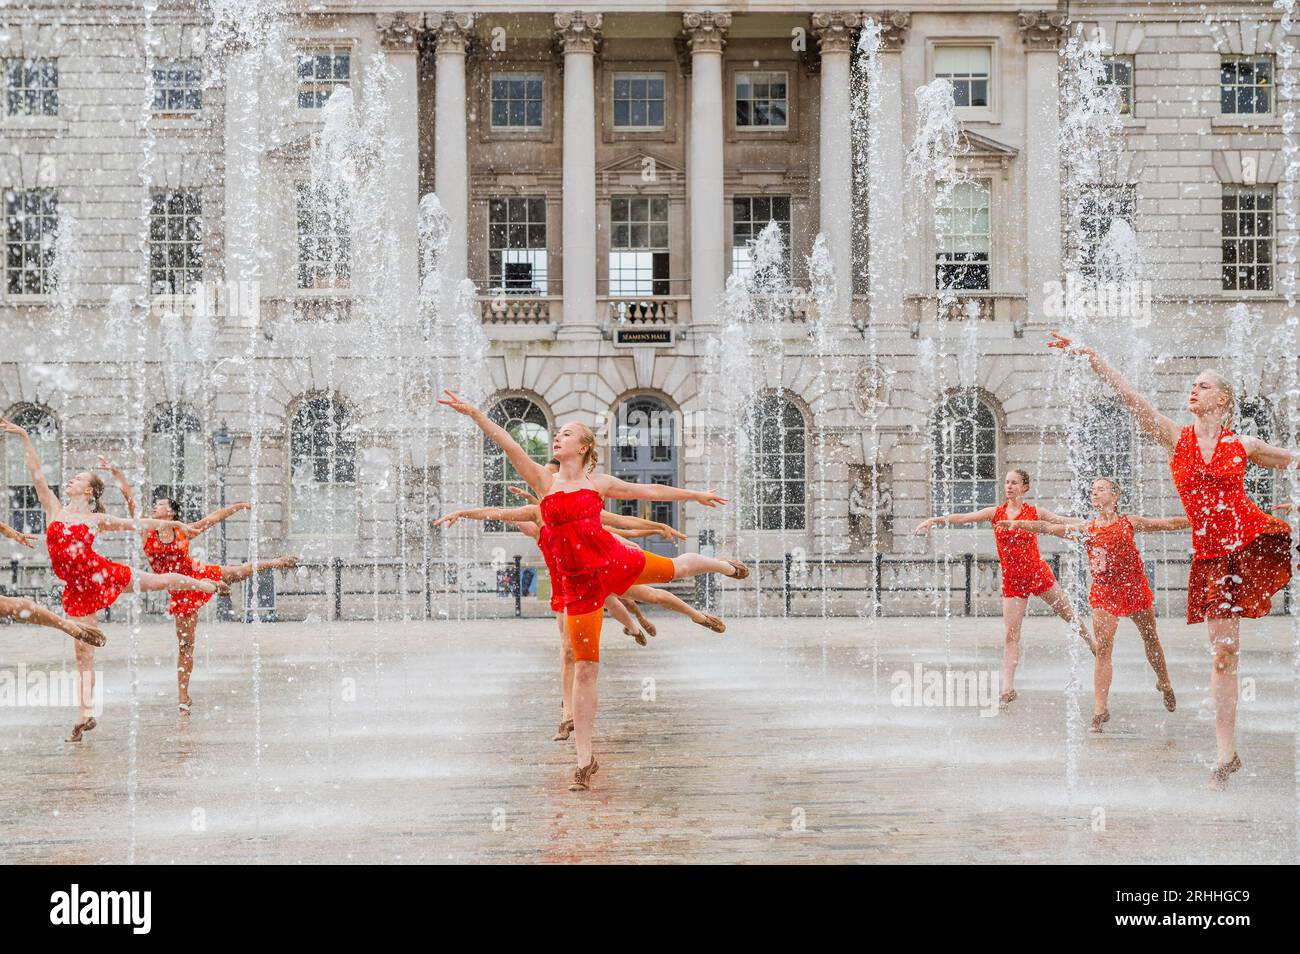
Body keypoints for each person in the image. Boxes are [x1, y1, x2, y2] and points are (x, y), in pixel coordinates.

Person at [438, 389, 747, 791]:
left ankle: (723, 565)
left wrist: (694, 495)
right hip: (578, 586)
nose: (557, 438)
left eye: (565, 434)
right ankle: (585, 759)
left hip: (614, 561)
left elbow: (648, 493)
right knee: (585, 666)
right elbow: (508, 443)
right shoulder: (543, 483)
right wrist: (477, 414)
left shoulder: (597, 482)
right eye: (557, 434)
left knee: (675, 570)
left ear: (582, 447)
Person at [1049, 331, 1300, 788]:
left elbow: (1293, 462)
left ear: (1222, 398)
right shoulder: (1175, 438)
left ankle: (1225, 754)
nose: (1193, 390)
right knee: (1223, 655)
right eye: (1192, 385)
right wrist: (1096, 359)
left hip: (1249, 538)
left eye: (1203, 386)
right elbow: (1134, 400)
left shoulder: (1243, 444)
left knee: (1228, 650)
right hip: (1210, 557)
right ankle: (1228, 755)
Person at [1, 416, 225, 741]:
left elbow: (138, 524)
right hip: (77, 588)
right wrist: (22, 435)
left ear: (88, 489)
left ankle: (203, 583)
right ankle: (84, 716)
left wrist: (176, 526)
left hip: (100, 573)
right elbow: (36, 472)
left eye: (77, 479)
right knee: (82, 651)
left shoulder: (97, 518)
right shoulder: (55, 509)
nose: (70, 482)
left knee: (157, 582)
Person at [997, 476, 1184, 731]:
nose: (1094, 493)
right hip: (1104, 592)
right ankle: (1100, 711)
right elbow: (1047, 527)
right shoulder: (1087, 528)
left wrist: (1199, 521)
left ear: (1115, 496)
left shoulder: (1129, 523)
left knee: (1150, 637)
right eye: (1093, 490)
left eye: (1101, 489)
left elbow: (1167, 523)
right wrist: (1015, 523)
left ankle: (1164, 682)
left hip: (1134, 588)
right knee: (1104, 648)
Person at [916, 468, 1095, 710]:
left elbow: (1063, 522)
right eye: (1007, 482)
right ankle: (1008, 687)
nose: (1009, 486)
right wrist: (934, 520)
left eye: (1014, 483)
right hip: (1013, 580)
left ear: (1025, 487)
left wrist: (1094, 525)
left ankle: (1094, 646)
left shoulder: (1034, 512)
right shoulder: (995, 513)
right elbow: (965, 517)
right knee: (1010, 635)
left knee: (1070, 616)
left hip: (1038, 573)